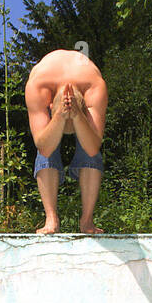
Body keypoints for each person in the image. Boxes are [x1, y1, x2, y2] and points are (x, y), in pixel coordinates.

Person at [24, 48, 108, 234]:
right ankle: (51, 218)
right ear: (50, 106)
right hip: (51, 92)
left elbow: (93, 147)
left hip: (82, 97)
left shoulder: (94, 86)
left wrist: (78, 117)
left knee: (90, 148)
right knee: (47, 147)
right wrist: (59, 118)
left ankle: (87, 220)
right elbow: (43, 146)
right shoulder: (37, 86)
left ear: (86, 109)